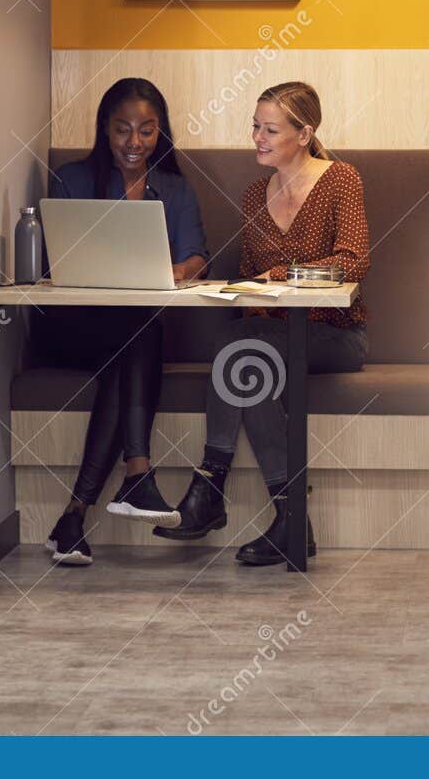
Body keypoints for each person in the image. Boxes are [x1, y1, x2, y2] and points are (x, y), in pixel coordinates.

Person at [154, 82, 370, 566]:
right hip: (270, 339)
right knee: (246, 361)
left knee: (240, 349)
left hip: (336, 335)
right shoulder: (256, 194)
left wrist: (279, 276)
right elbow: (253, 270)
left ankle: (209, 488)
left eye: (271, 129)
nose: (257, 137)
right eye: (256, 126)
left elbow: (354, 262)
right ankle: (291, 521)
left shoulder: (341, 179)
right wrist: (243, 291)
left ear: (304, 133)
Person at [40, 78, 209, 567]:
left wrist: (171, 271)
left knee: (135, 341)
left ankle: (73, 518)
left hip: (132, 335)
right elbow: (59, 261)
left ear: (161, 133)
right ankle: (137, 475)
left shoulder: (175, 189)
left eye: (147, 131)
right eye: (123, 130)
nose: (135, 142)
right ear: (105, 130)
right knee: (139, 337)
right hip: (73, 330)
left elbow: (198, 255)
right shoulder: (72, 180)